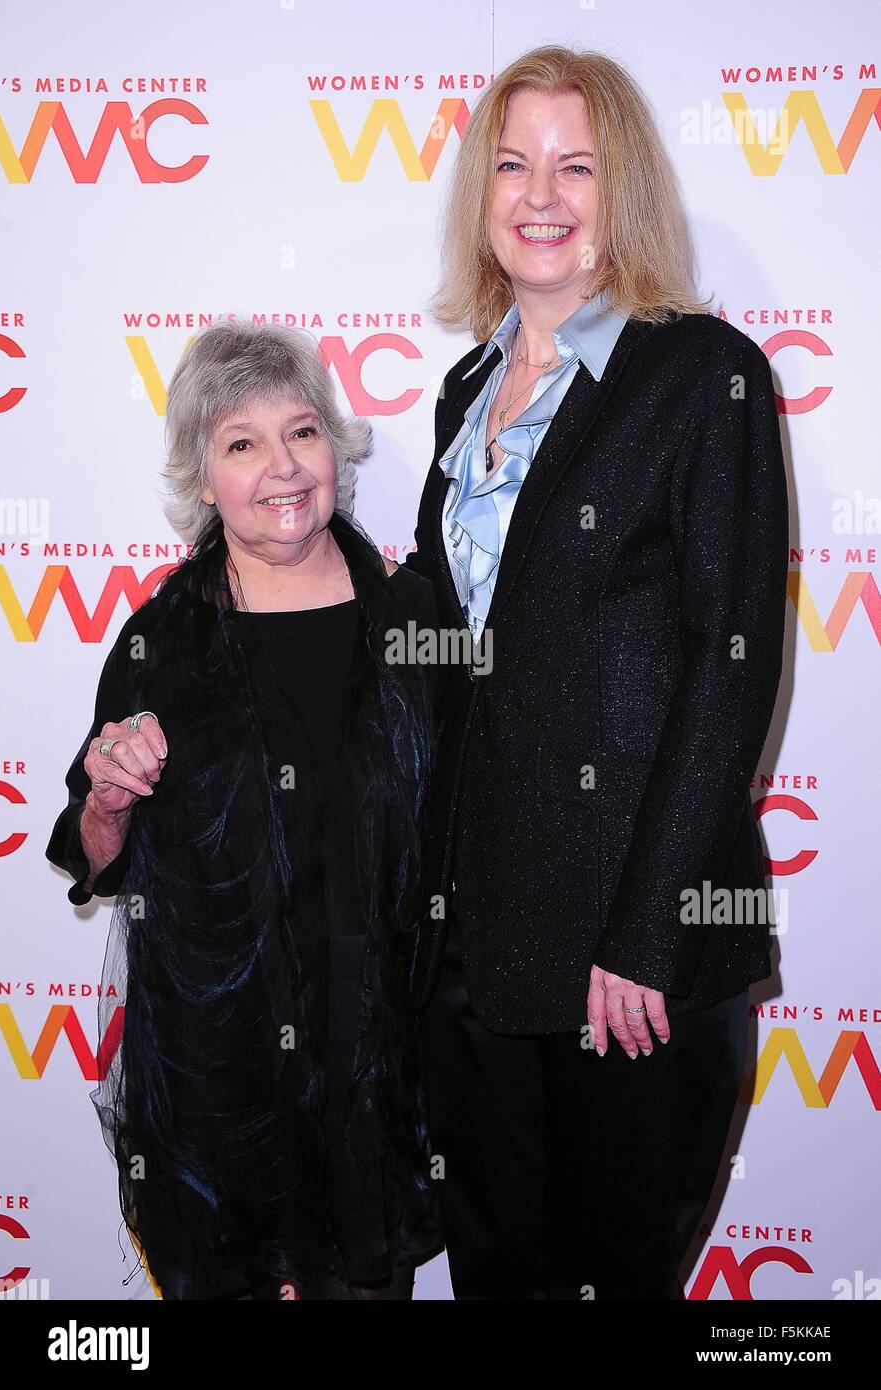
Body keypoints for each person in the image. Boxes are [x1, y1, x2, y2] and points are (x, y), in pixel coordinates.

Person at [404, 44, 789, 1299]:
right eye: (512, 162)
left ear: (619, 189)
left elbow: (731, 667)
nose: (540, 193)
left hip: (629, 952)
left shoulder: (702, 373)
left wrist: (645, 933)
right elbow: (432, 649)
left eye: (577, 163)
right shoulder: (469, 389)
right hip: (476, 941)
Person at [46, 320, 444, 1300]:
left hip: (378, 1067)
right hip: (221, 1081)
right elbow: (92, 856)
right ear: (203, 475)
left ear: (333, 449)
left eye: (300, 431)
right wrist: (108, 794)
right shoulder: (160, 642)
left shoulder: (416, 620)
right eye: (242, 442)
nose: (281, 467)